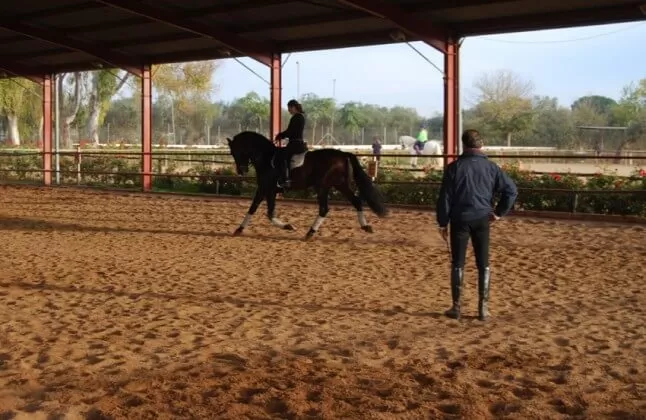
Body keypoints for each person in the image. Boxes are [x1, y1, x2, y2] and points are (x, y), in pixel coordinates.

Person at [436, 129, 518, 321]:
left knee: (458, 263)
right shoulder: (491, 167)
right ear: (481, 145)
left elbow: (444, 198)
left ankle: (456, 307)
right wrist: (498, 213)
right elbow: (511, 191)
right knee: (484, 263)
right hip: (482, 219)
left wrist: (442, 222)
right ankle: (483, 308)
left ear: (464, 145)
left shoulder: (454, 168)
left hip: (459, 220)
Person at [274, 99, 307, 188]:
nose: (288, 110)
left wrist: (280, 135)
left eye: (289, 108)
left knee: (281, 157)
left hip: (295, 144)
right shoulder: (300, 116)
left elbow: (290, 131)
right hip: (295, 143)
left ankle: (285, 179)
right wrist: (282, 135)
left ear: (293, 107)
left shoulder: (297, 117)